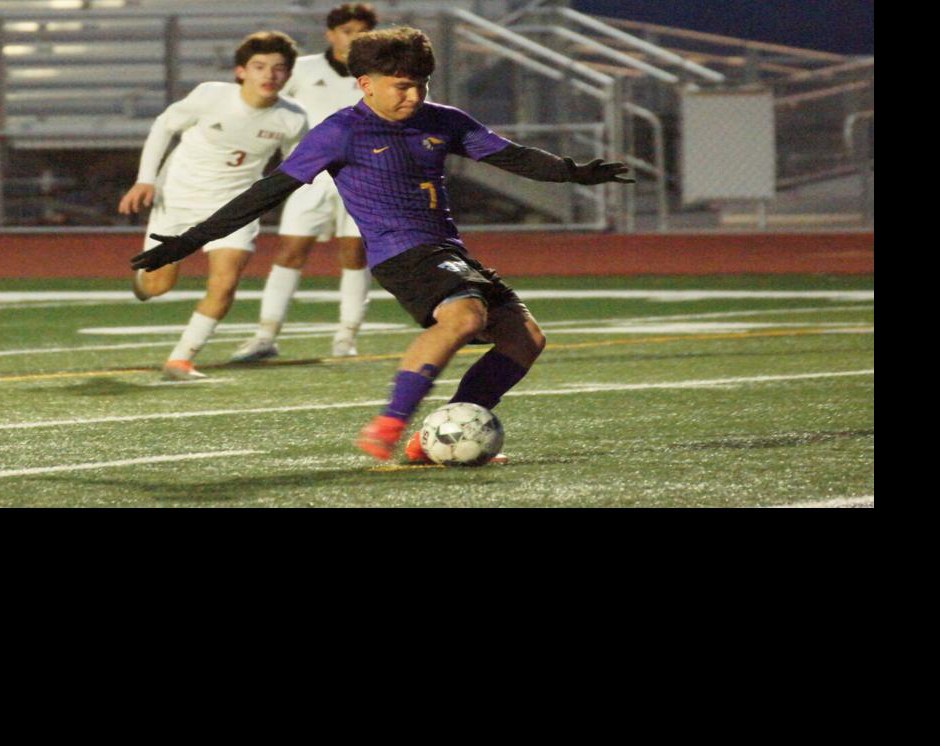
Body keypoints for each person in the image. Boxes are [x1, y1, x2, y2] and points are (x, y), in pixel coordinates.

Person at [132, 26, 631, 460]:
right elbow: (268, 192)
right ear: (365, 84)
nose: (413, 96)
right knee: (464, 316)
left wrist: (573, 172)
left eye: (421, 85)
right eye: (402, 87)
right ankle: (390, 424)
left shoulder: (444, 120)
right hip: (400, 252)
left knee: (526, 339)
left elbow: (511, 156)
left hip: (445, 247)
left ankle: (433, 440)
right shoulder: (340, 132)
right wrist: (189, 241)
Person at [119, 32, 308, 380]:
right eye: (259, 66)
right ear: (241, 71)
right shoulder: (210, 96)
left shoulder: (293, 118)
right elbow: (164, 126)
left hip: (234, 209)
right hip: (178, 199)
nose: (269, 75)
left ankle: (181, 359)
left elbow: (294, 168)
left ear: (288, 75)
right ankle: (143, 283)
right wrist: (145, 179)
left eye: (279, 69)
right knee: (158, 286)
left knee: (225, 282)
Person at [229, 2, 374, 363]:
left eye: (362, 31)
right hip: (309, 176)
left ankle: (345, 337)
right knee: (290, 250)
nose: (354, 38)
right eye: (347, 31)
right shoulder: (302, 70)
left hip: (364, 178)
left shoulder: (381, 72)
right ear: (331, 34)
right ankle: (265, 335)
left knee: (354, 254)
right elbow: (266, 101)